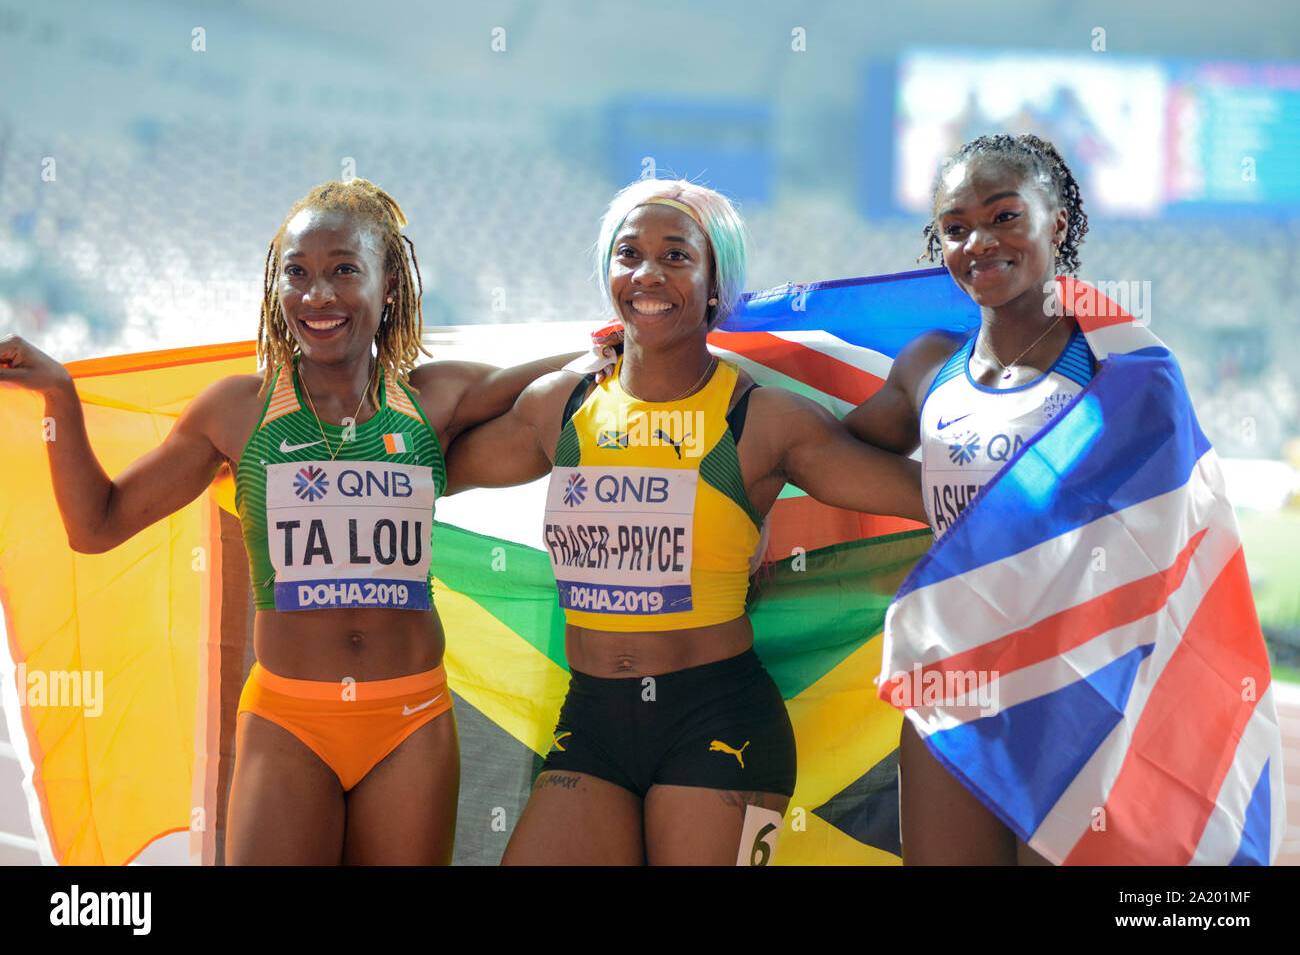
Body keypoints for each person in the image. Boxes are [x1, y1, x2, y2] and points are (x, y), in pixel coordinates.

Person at [0, 178, 581, 864]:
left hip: (410, 721)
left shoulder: (435, 400)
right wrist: (58, 395)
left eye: (344, 271)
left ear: (389, 282)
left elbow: (564, 388)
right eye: (296, 274)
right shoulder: (236, 412)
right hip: (289, 720)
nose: (318, 296)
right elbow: (95, 526)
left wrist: (632, 341)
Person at [443, 178, 928, 865]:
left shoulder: (759, 420)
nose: (647, 272)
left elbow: (932, 494)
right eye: (628, 254)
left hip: (719, 725)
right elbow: (421, 464)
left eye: (676, 256)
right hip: (592, 722)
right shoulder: (561, 404)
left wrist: (1071, 471)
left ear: (713, 287)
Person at [843, 133, 1095, 864]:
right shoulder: (927, 368)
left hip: (1073, 685)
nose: (978, 241)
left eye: (1003, 216)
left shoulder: (1119, 363)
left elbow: (1176, 523)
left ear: (1058, 222)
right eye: (955, 228)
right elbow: (816, 449)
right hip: (950, 684)